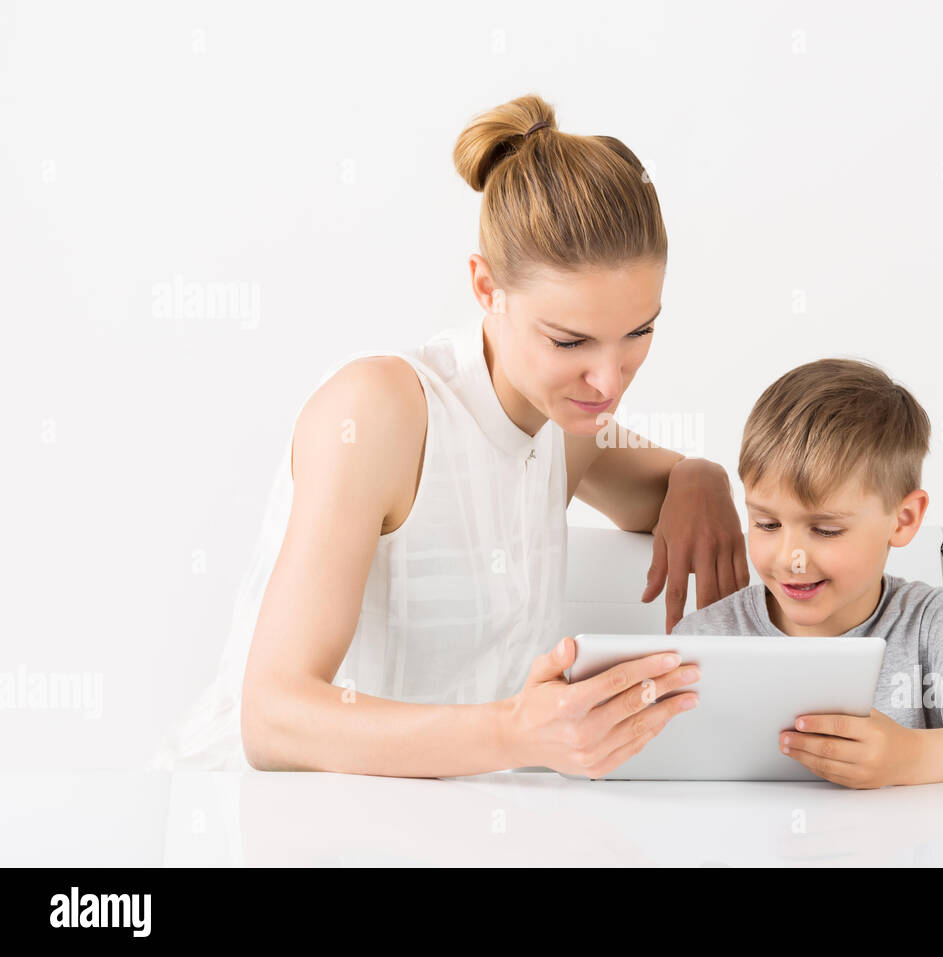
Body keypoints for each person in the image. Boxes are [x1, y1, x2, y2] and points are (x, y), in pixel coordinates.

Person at [151, 93, 748, 779]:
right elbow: (273, 717)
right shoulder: (379, 411)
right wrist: (516, 734)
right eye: (569, 339)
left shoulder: (568, 425)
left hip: (418, 831)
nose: (608, 380)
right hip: (240, 821)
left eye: (639, 331)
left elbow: (662, 481)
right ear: (486, 287)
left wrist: (702, 476)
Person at [670, 358, 943, 788]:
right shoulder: (704, 638)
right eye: (767, 524)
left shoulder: (927, 623)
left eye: (826, 529)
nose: (790, 558)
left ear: (903, 519)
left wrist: (910, 757)